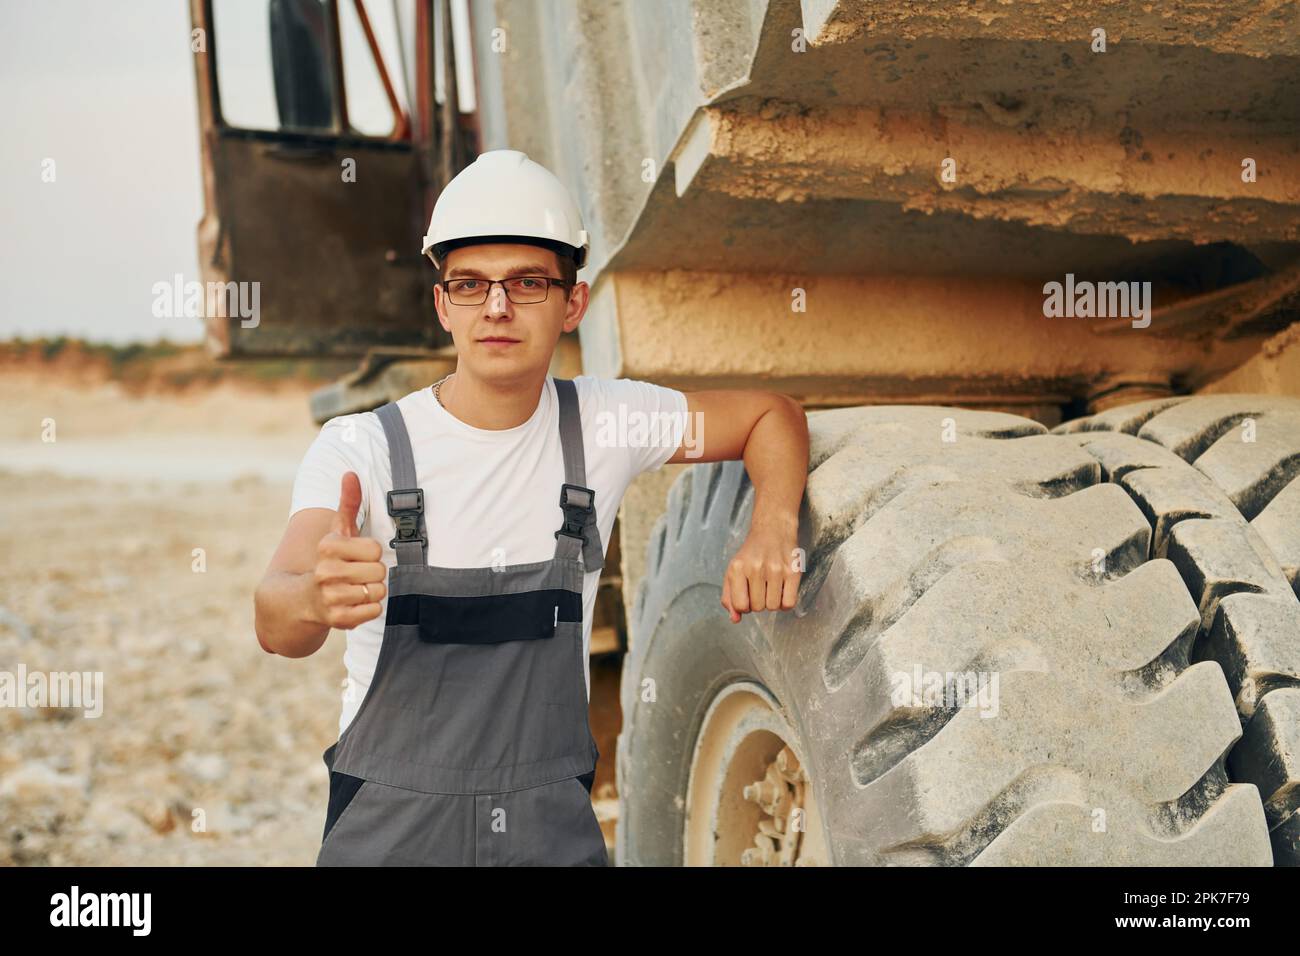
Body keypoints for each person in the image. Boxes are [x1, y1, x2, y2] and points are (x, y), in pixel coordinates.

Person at [252, 149, 810, 866]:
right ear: (442, 303)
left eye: (527, 282)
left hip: (547, 833)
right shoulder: (363, 449)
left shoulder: (607, 423)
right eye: (471, 284)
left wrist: (772, 529)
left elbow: (771, 416)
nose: (497, 307)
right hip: (390, 833)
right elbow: (274, 622)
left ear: (572, 303)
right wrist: (316, 598)